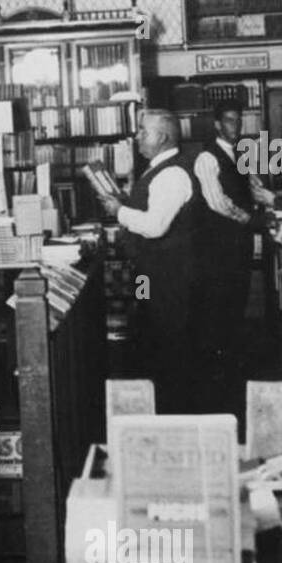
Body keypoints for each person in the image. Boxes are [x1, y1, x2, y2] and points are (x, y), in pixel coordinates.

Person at [93, 109, 205, 414]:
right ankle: (164, 409)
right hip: (152, 274)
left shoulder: (172, 173)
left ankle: (174, 414)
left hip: (170, 277)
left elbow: (156, 226)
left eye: (144, 131)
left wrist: (118, 210)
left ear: (164, 137)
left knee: (169, 342)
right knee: (153, 335)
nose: (138, 136)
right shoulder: (158, 168)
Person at [193, 102, 275, 416]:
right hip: (215, 248)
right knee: (218, 310)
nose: (235, 127)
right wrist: (250, 220)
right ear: (217, 125)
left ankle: (230, 372)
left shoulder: (240, 154)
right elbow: (217, 202)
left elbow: (252, 188)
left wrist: (276, 202)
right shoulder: (206, 157)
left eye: (238, 121)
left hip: (237, 246)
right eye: (229, 121)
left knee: (235, 305)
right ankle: (218, 382)